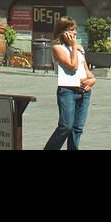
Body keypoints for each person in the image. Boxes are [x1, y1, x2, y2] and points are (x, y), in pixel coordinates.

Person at [43, 16, 96, 149]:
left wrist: (92, 81)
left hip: (84, 91)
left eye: (75, 30)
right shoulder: (57, 48)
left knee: (77, 129)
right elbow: (73, 66)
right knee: (66, 126)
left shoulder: (79, 48)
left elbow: (87, 71)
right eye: (72, 30)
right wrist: (73, 47)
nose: (75, 33)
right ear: (63, 32)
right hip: (67, 91)